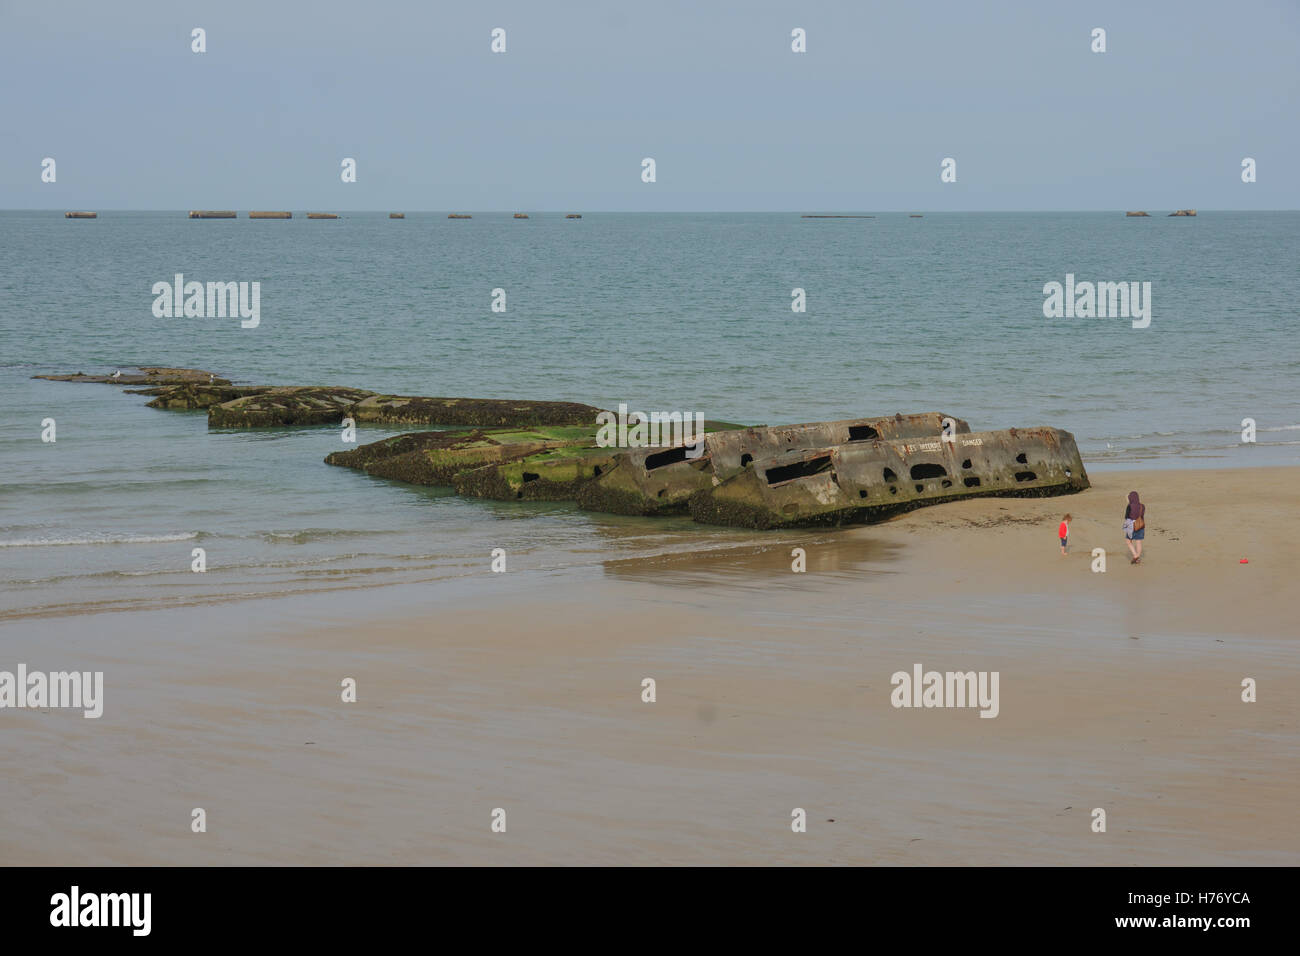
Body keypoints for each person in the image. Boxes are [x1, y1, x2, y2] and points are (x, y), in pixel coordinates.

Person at [1124, 491, 1146, 564]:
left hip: (1132, 526)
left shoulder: (1129, 506)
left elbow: (1126, 516)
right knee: (1138, 542)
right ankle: (1137, 558)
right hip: (1140, 525)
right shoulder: (1142, 506)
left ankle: (1135, 555)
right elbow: (1142, 515)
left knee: (1128, 541)